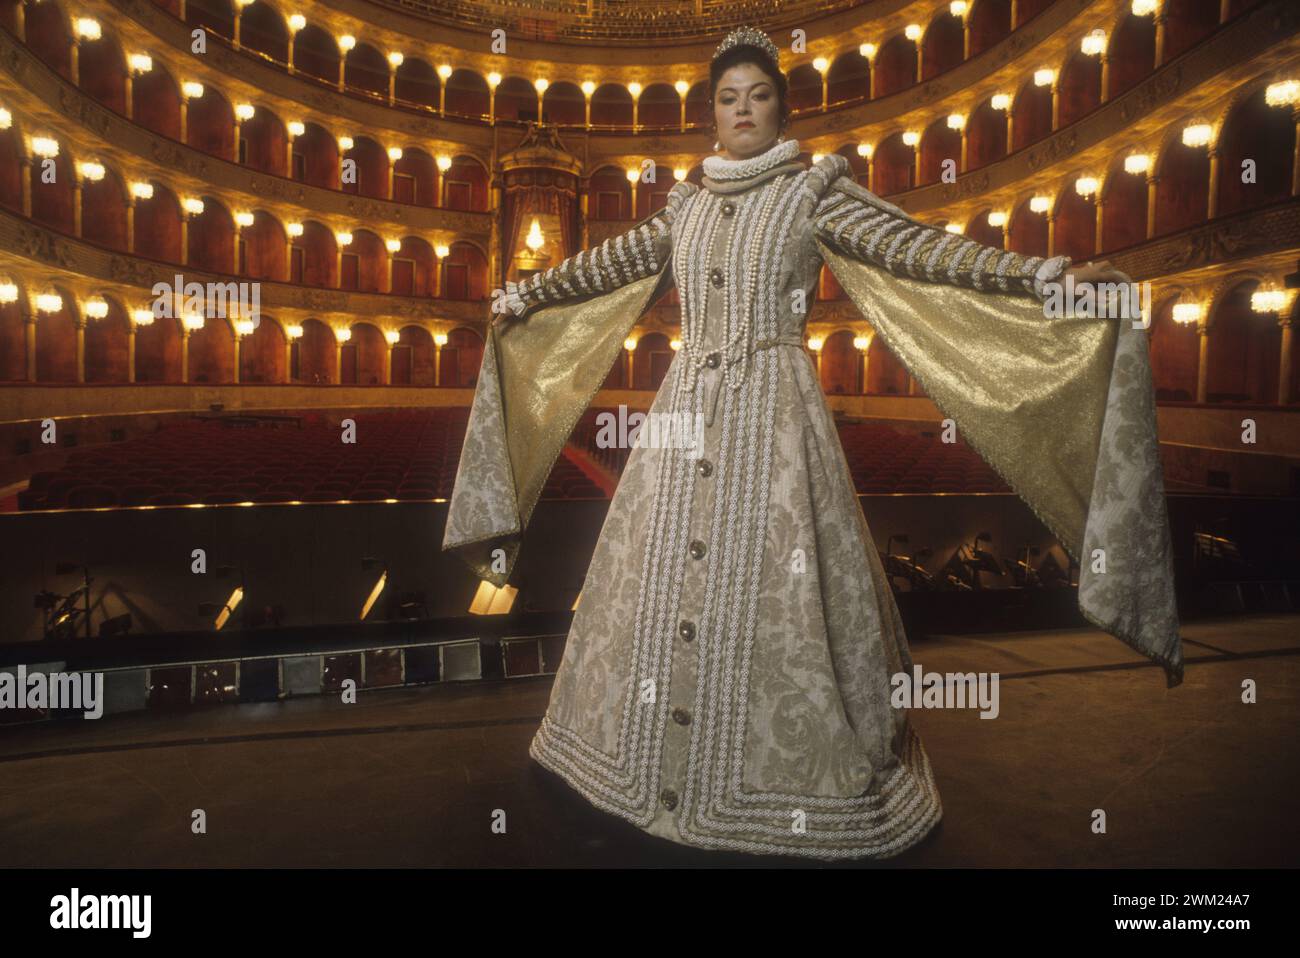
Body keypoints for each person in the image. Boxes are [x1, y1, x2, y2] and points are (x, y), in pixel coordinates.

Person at [443, 26, 1183, 860]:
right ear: (712, 116)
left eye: (758, 96)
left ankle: (778, 784)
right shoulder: (683, 207)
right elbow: (604, 266)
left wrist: (1040, 278)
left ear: (779, 109)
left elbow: (918, 252)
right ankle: (625, 764)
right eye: (728, 99)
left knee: (780, 598)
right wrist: (524, 295)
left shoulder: (812, 193)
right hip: (684, 413)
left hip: (777, 412)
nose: (743, 110)